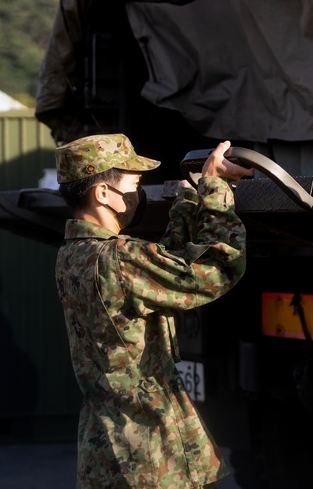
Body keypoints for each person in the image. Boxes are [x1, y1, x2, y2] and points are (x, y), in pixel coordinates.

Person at [53, 133, 253, 489]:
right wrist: (214, 189)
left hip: (108, 441)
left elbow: (158, 272)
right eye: (134, 185)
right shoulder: (119, 258)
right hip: (149, 448)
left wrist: (188, 200)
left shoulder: (73, 255)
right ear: (103, 193)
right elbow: (218, 271)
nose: (139, 194)